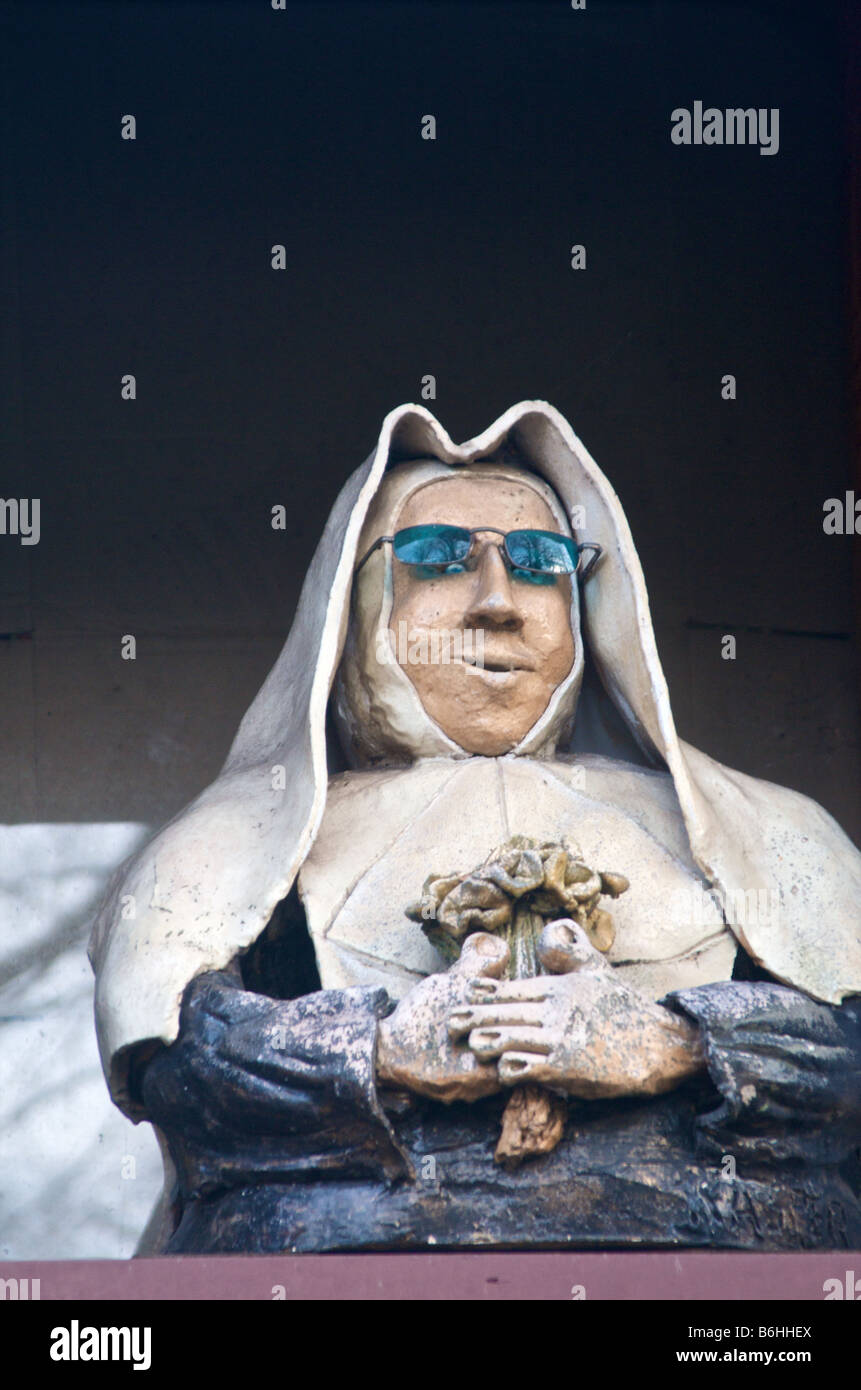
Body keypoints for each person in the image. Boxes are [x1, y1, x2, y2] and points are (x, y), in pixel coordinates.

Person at [90, 401, 861, 1253]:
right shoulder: (235, 848)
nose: (497, 602)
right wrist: (382, 1051)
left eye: (538, 563)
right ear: (357, 599)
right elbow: (179, 1064)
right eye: (438, 558)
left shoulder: (765, 832)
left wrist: (673, 1042)